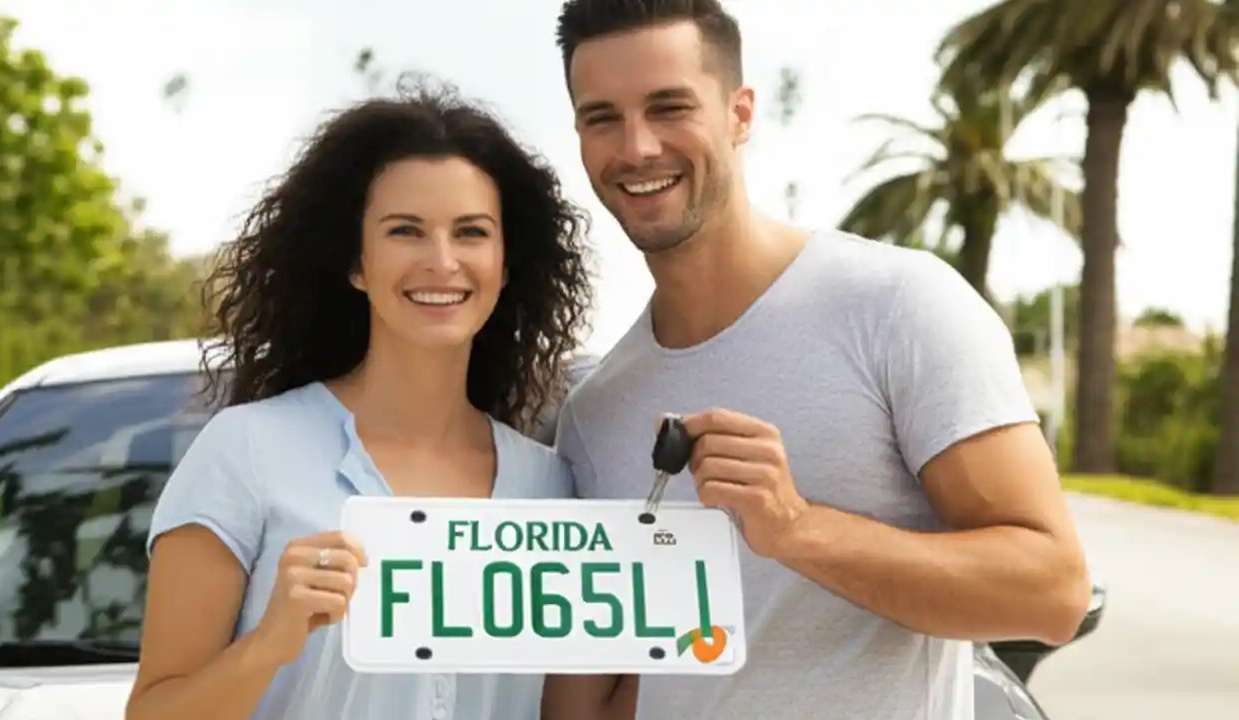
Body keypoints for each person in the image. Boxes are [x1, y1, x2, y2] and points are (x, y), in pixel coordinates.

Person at [542, 2, 1093, 719]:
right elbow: (615, 686)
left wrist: (797, 529)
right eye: (602, 117)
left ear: (740, 114)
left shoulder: (898, 307)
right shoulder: (595, 414)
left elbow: (1051, 593)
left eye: (669, 106)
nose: (638, 145)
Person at [126, 79, 631, 720]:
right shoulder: (245, 452)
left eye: (471, 232)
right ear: (357, 264)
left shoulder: (550, 486)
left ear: (506, 265)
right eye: (405, 231)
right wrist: (268, 646)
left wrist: (689, 631)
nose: (442, 261)